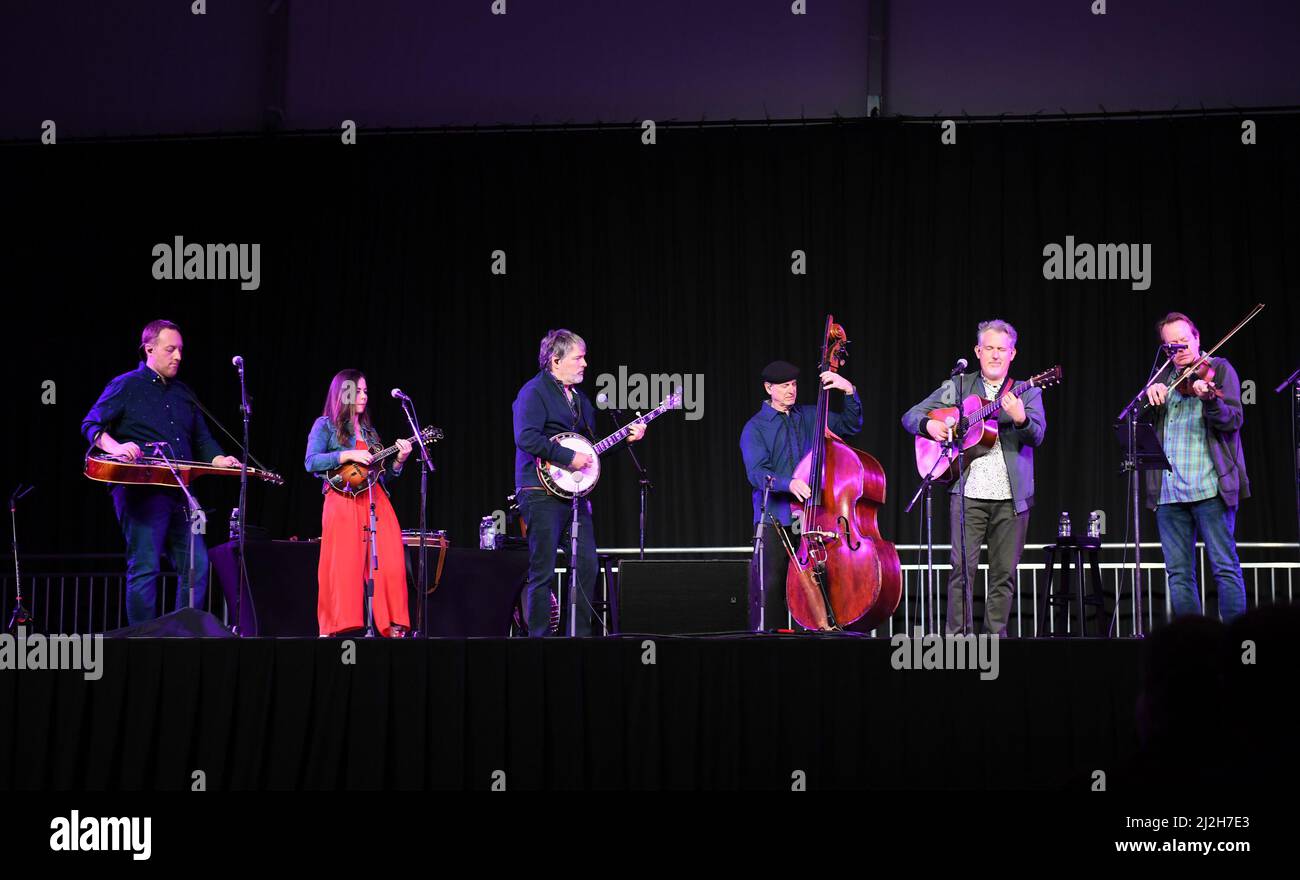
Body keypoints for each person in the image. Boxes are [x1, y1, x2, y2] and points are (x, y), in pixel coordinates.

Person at [81, 319, 240, 624]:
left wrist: (219, 459)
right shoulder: (126, 385)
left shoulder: (184, 393)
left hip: (181, 492)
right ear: (149, 349)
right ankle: (144, 645)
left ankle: (183, 636)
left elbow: (202, 439)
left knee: (197, 564)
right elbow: (91, 424)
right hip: (141, 492)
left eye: (181, 350)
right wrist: (115, 447)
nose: (178, 356)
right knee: (146, 567)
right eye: (170, 349)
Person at [901, 319, 1046, 636]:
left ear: (1013, 354)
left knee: (1003, 574)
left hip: (1011, 499)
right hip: (967, 494)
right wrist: (930, 426)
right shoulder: (960, 386)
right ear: (978, 352)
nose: (995, 355)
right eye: (989, 348)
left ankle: (996, 641)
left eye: (1002, 349)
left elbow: (1037, 436)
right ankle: (957, 640)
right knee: (961, 572)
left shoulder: (1029, 391)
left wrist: (1021, 418)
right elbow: (910, 415)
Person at [512, 329, 645, 637]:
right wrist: (566, 456)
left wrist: (626, 439)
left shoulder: (581, 401)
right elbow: (527, 437)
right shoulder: (534, 392)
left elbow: (591, 451)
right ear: (555, 361)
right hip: (539, 492)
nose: (585, 363)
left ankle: (581, 638)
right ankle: (539, 640)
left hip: (573, 495)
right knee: (542, 571)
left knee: (586, 565)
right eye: (579, 357)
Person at [1142, 311, 1249, 622]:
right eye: (1170, 346)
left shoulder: (1219, 369)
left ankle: (1234, 643)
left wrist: (1210, 400)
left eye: (1183, 342)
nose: (1178, 350)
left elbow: (1233, 420)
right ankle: (1191, 647)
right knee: (1178, 574)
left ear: (1197, 338)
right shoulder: (1162, 378)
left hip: (1210, 489)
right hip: (1169, 494)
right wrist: (1148, 403)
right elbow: (1142, 430)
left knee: (1224, 567)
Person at [740, 359, 861, 631]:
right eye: (784, 386)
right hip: (775, 519)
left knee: (822, 581)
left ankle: (821, 636)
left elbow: (851, 426)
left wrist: (849, 391)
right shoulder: (755, 428)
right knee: (772, 587)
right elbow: (756, 473)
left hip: (815, 518)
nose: (791, 390)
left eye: (794, 384)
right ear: (768, 388)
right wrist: (788, 482)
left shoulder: (810, 416)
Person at [305, 370, 412, 637]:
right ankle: (335, 628)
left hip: (375, 498)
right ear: (344, 393)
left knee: (391, 559)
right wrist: (347, 454)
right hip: (342, 501)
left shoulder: (370, 432)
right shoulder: (326, 425)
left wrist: (398, 461)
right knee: (341, 565)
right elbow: (311, 461)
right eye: (358, 391)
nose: (364, 396)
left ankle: (393, 625)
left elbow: (383, 473)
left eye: (366, 391)